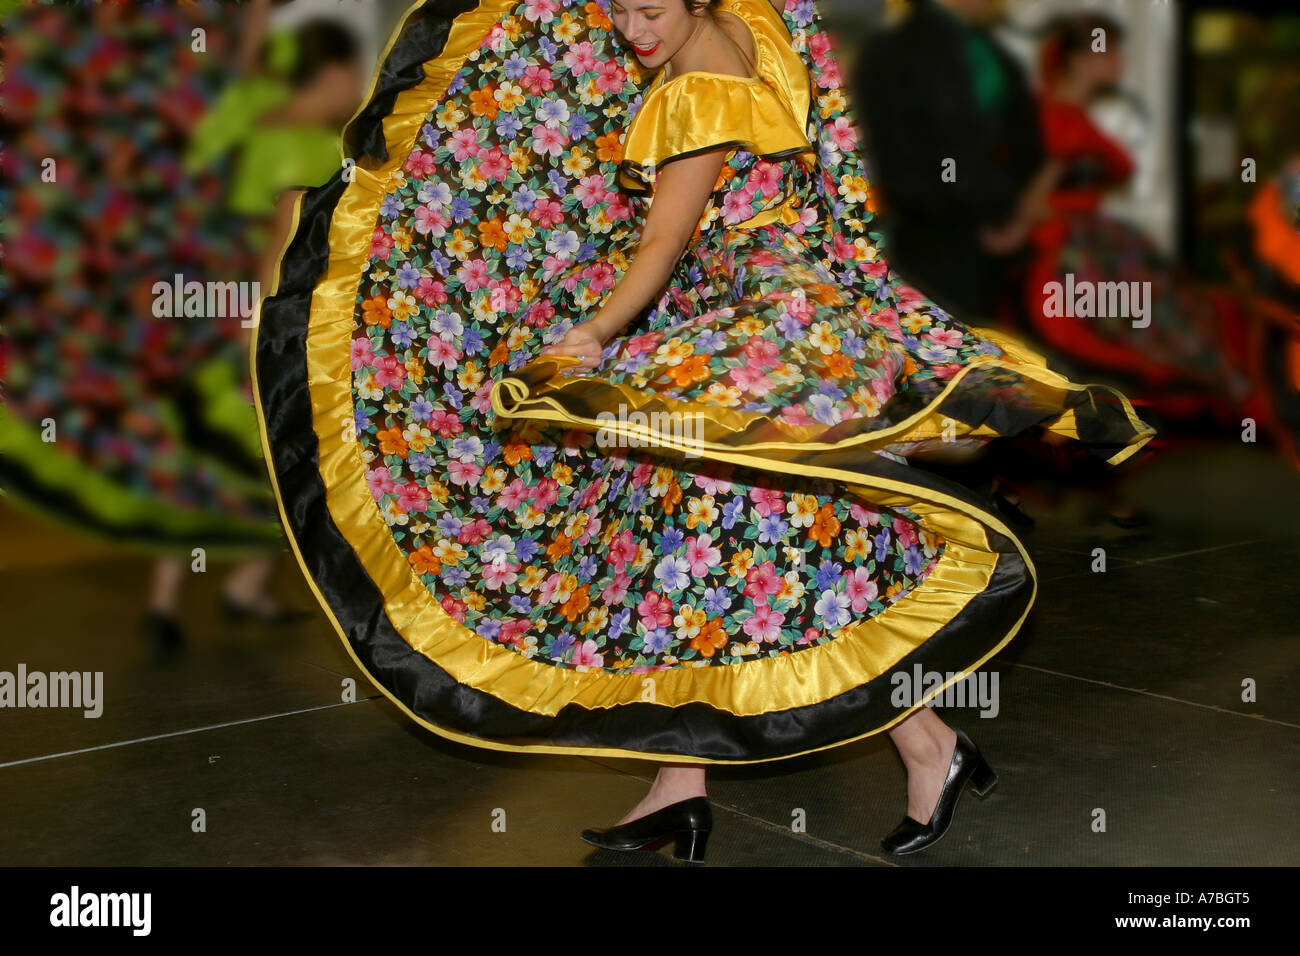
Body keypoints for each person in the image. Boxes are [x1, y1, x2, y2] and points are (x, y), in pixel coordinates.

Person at [255, 0, 1153, 862]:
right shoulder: (755, 22)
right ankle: (688, 785)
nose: (631, 30)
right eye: (620, 11)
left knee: (752, 549)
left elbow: (666, 240)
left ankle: (921, 748)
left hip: (747, 326)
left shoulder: (699, 79)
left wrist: (595, 332)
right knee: (697, 550)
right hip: (772, 315)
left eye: (651, 12)